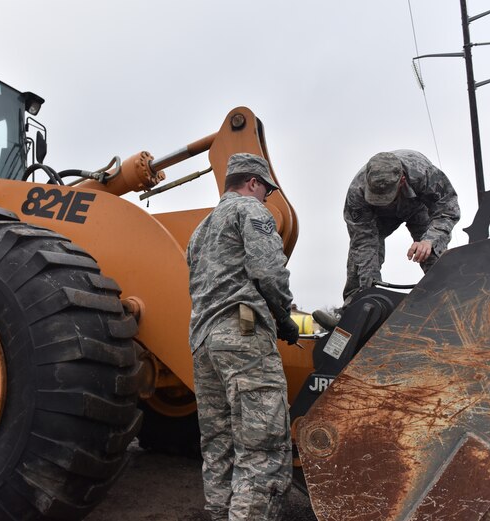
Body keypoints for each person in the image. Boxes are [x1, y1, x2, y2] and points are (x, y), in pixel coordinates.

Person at [187, 152, 298, 521]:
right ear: (252, 182)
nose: (266, 198)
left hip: (204, 343)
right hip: (242, 336)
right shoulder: (251, 211)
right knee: (261, 449)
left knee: (218, 446)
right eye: (266, 190)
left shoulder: (200, 230)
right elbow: (268, 271)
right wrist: (284, 319)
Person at [314, 149, 460, 329]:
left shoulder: (424, 174)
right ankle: (350, 313)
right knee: (359, 260)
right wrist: (370, 293)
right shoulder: (356, 192)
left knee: (431, 255)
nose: (384, 199)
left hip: (417, 205)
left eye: (386, 196)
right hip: (378, 216)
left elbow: (448, 211)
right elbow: (363, 242)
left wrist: (429, 241)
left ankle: (453, 306)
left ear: (402, 180)